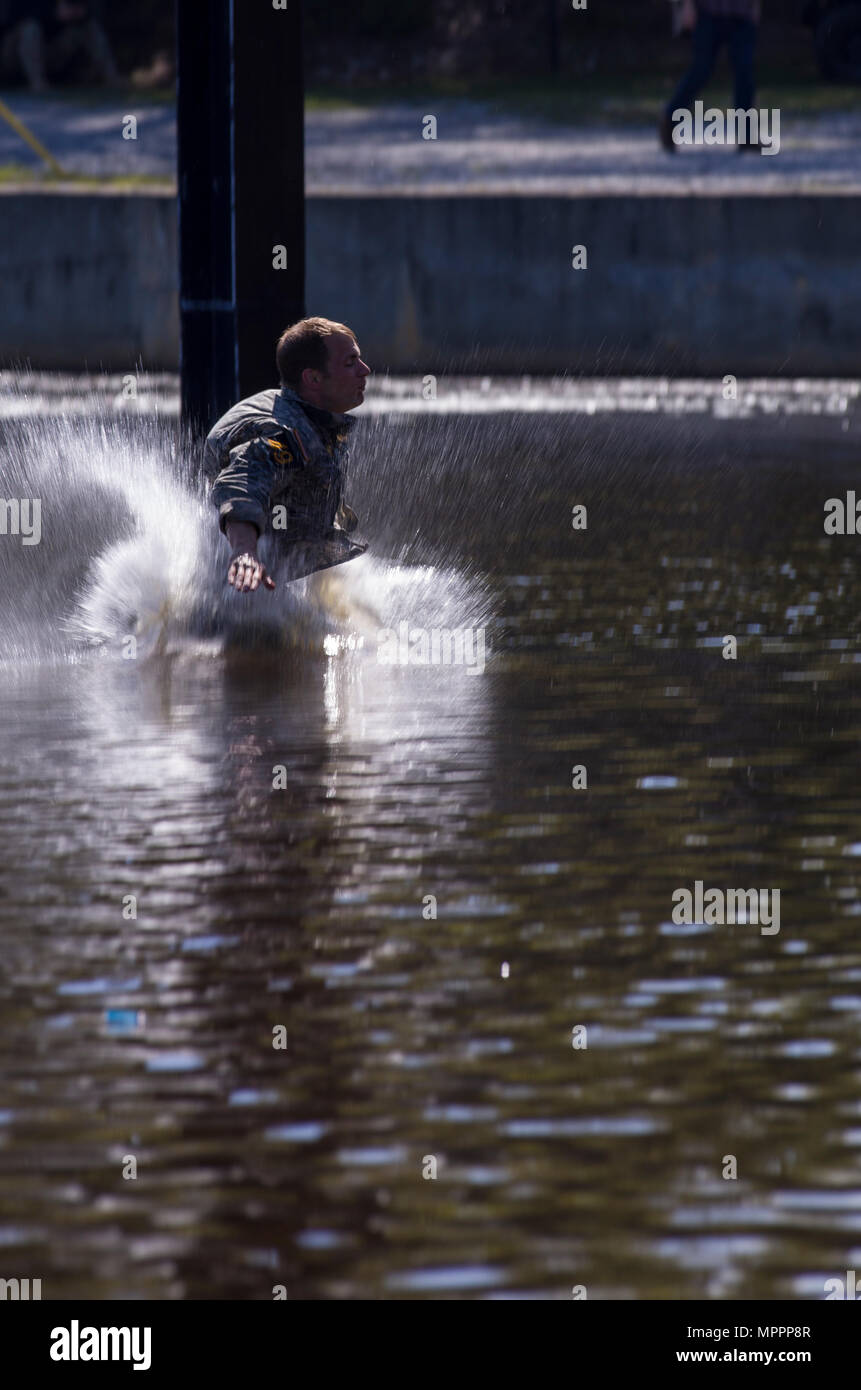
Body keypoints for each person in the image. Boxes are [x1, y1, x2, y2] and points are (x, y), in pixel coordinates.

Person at [205, 317, 372, 594]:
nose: (365, 370)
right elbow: (239, 485)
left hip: (269, 560)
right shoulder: (282, 436)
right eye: (350, 362)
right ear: (313, 378)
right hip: (239, 572)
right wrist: (245, 552)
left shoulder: (311, 415)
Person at [661, 0, 762, 152]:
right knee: (701, 70)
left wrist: (755, 5)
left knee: (744, 73)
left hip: (742, 13)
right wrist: (688, 5)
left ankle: (747, 137)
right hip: (707, 12)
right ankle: (669, 120)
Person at [0, 0, 120, 92]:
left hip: (50, 55)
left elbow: (87, 14)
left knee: (89, 27)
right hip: (14, 55)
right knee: (30, 29)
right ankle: (38, 84)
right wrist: (53, 14)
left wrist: (78, 14)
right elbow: (12, 20)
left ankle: (112, 78)